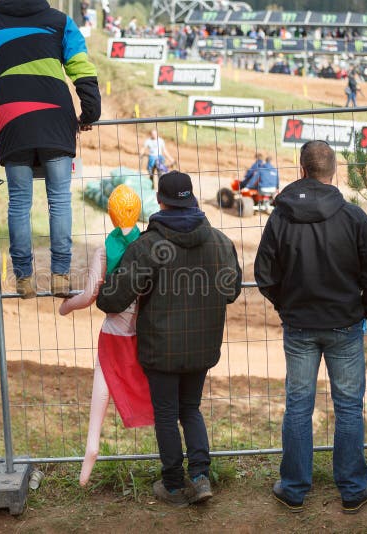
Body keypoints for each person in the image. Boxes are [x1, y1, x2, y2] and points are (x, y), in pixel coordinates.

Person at [255, 140, 367, 515]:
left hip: (302, 326)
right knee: (348, 408)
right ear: (334, 173)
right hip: (343, 323)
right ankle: (352, 488)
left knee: (298, 407)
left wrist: (288, 305)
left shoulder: (280, 217)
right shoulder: (354, 217)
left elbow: (264, 275)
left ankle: (294, 488)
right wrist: (361, 310)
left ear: (301, 170)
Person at [97, 171, 242, 507]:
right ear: (191, 200)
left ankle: (174, 485)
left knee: (166, 413)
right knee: (190, 408)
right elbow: (231, 291)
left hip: (159, 347)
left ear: (160, 202)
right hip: (203, 346)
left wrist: (104, 287)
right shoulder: (220, 242)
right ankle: (201, 476)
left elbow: (112, 300)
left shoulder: (148, 246)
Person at [0, 0, 101, 300]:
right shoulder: (59, 21)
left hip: (12, 120)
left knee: (18, 203)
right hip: (55, 116)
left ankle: (24, 280)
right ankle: (59, 277)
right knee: (59, 201)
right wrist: (90, 112)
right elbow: (81, 67)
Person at [59, 184, 154, 486]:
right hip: (147, 334)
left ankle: (90, 452)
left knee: (102, 385)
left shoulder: (104, 250)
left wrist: (65, 308)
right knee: (157, 393)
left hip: (113, 333)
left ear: (111, 214)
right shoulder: (150, 246)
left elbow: (88, 295)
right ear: (138, 212)